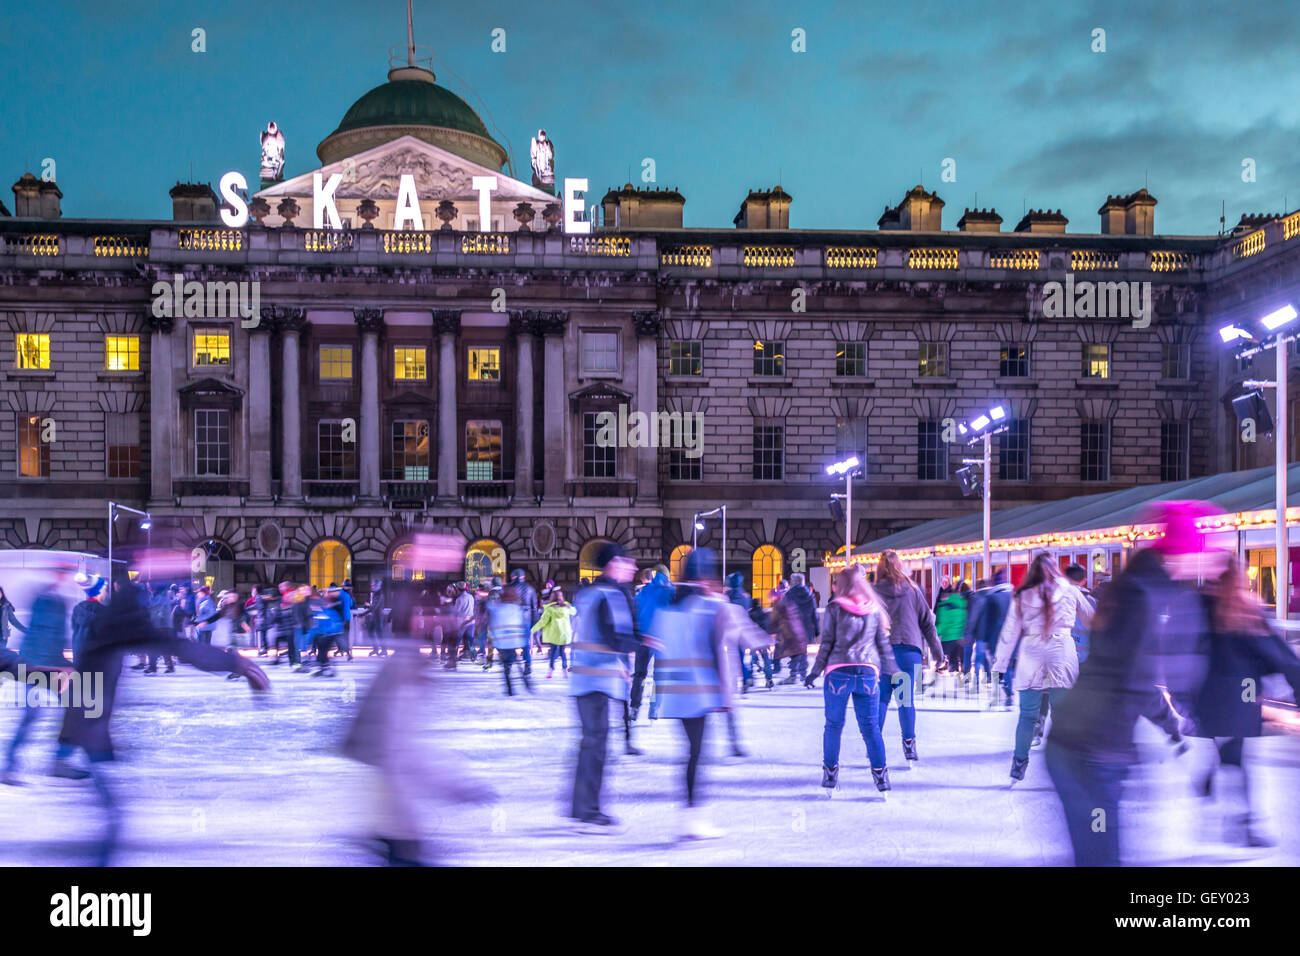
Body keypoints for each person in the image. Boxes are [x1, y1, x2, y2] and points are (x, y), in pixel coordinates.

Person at [1045, 501, 1216, 867]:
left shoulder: (1136, 587)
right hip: (1091, 749)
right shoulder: (1148, 596)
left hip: (1080, 743)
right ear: (1184, 553)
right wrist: (1176, 726)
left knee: (1097, 853)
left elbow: (1133, 674)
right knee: (1101, 857)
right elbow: (1135, 678)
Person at [57, 575, 269, 865]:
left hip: (86, 718)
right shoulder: (118, 621)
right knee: (113, 818)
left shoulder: (105, 621)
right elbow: (176, 646)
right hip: (92, 724)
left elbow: (170, 645)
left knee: (112, 815)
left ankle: (64, 754)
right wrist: (235, 663)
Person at [644, 548, 752, 839]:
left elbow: (659, 656)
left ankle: (690, 815)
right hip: (700, 692)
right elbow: (717, 654)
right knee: (697, 754)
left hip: (675, 693)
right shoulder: (708, 608)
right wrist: (724, 697)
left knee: (691, 753)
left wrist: (655, 699)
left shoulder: (668, 609)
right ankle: (692, 817)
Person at [1192, 560, 1300, 846]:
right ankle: (1248, 825)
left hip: (1208, 695)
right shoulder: (1248, 612)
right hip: (1243, 696)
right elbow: (1284, 658)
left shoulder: (1202, 607)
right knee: (1241, 755)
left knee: (1228, 747)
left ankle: (1213, 773)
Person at [991, 553, 1090, 783]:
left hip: (1032, 653)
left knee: (1027, 715)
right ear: (1055, 570)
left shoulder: (1022, 596)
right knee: (1063, 715)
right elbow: (1092, 620)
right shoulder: (1071, 590)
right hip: (1060, 651)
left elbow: (1009, 633)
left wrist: (1000, 665)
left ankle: (1019, 762)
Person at [568, 542, 642, 833]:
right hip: (596, 680)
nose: (634, 568)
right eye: (629, 562)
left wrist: (619, 664)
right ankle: (588, 810)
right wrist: (645, 643)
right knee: (595, 746)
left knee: (590, 744)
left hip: (584, 678)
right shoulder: (612, 595)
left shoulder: (587, 593)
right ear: (614, 563)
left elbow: (592, 634)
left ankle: (581, 807)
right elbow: (616, 638)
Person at [805, 563, 897, 794]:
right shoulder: (874, 609)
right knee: (871, 728)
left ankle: (830, 775)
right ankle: (881, 778)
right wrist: (893, 670)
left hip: (838, 673)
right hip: (867, 673)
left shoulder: (835, 608)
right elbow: (883, 645)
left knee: (833, 726)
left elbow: (826, 645)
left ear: (842, 585)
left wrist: (815, 671)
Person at [3, 568, 74, 782]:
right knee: (34, 714)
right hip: (37, 667)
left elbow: (53, 638)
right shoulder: (50, 601)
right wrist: (60, 667)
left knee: (68, 709)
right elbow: (46, 638)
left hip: (38, 665)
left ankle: (56, 760)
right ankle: (13, 766)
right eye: (64, 573)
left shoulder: (52, 599)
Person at [874, 551, 944, 762]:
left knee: (882, 699)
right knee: (905, 700)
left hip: (883, 653)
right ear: (900, 566)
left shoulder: (873, 592)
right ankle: (909, 745)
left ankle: (874, 744)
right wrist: (939, 654)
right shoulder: (912, 590)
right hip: (908, 652)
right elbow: (928, 624)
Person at [631, 564, 674, 719]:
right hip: (663, 640)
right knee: (659, 676)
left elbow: (635, 611)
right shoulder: (672, 592)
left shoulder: (644, 591)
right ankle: (654, 708)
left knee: (639, 674)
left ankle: (634, 707)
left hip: (644, 639)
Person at [488, 584, 532, 695]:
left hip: (502, 641)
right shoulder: (517, 609)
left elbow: (493, 623)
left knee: (505, 665)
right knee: (516, 661)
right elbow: (522, 624)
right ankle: (525, 681)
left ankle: (509, 687)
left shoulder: (497, 609)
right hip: (514, 640)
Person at [771, 582, 810, 686]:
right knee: (800, 651)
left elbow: (776, 617)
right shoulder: (809, 595)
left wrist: (772, 630)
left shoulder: (785, 600)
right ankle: (802, 674)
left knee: (791, 651)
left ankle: (790, 673)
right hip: (802, 627)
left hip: (790, 630)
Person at [534, 586, 576, 677]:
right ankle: (565, 670)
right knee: (562, 652)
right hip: (564, 634)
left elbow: (543, 621)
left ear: (552, 598)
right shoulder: (566, 606)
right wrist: (569, 606)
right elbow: (574, 612)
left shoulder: (549, 609)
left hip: (553, 634)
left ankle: (551, 670)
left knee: (553, 652)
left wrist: (533, 629)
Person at [935, 581, 969, 688]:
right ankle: (960, 683)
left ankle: (934, 683)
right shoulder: (963, 606)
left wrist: (935, 633)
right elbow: (965, 621)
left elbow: (943, 623)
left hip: (947, 638)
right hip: (959, 638)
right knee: (956, 661)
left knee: (940, 661)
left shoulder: (944, 606)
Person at [510, 569, 541, 675]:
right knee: (525, 643)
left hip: (512, 618)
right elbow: (534, 607)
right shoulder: (530, 589)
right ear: (523, 577)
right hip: (526, 618)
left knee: (510, 641)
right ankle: (527, 665)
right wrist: (534, 621)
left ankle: (509, 663)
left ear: (513, 577)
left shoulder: (510, 587)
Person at [0, 584, 29, 648]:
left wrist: (27, 631)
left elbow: (14, 621)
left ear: (2, 594)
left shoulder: (7, 606)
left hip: (2, 637)